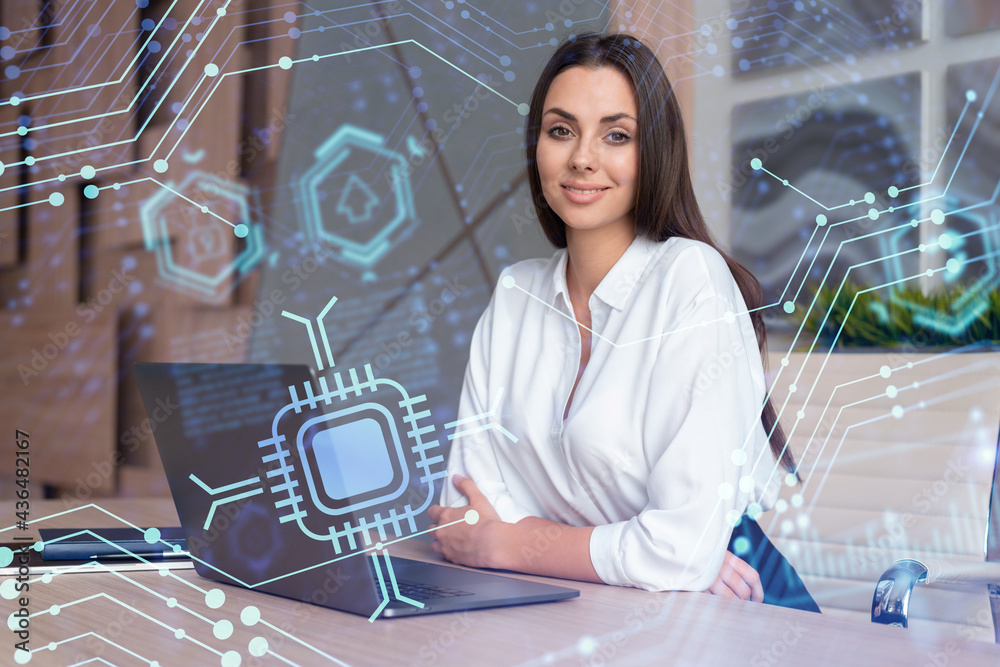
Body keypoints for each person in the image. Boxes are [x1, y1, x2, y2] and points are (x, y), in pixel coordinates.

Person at [428, 33, 818, 612]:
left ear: (653, 151)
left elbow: (681, 552)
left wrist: (508, 544)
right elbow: (464, 509)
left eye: (616, 135)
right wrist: (640, 558)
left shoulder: (691, 280)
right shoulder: (515, 295)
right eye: (561, 131)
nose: (582, 157)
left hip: (733, 607)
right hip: (589, 605)